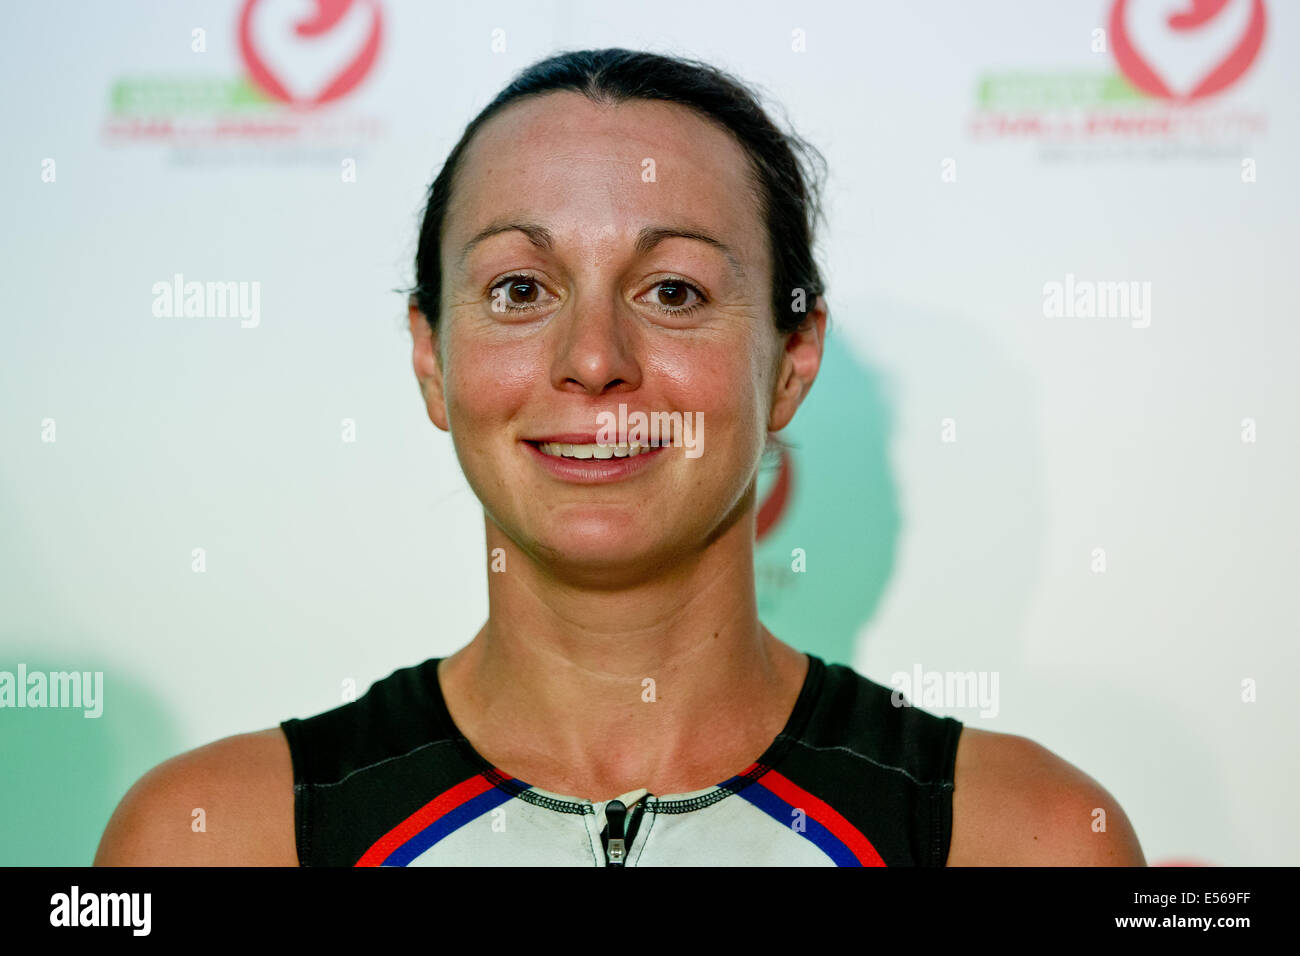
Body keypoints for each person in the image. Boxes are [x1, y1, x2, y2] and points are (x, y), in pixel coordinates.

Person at [95, 48, 1144, 866]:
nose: (593, 360)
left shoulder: (1025, 834)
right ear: (430, 355)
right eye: (519, 289)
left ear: (791, 359)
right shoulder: (213, 835)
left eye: (673, 290)